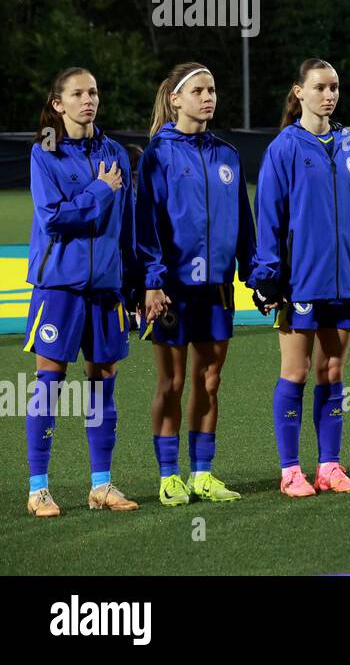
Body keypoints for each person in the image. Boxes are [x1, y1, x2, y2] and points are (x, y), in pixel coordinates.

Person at [251, 58, 350, 497]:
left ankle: (330, 467)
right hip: (301, 282)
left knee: (333, 372)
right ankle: (290, 471)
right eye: (319, 87)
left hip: (344, 282)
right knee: (295, 372)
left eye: (334, 87)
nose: (329, 95)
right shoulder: (284, 148)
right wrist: (267, 275)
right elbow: (269, 218)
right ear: (299, 92)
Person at [136, 63, 257, 505]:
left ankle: (202, 474)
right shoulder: (157, 154)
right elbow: (144, 225)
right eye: (199, 91)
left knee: (209, 380)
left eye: (212, 90)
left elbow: (244, 223)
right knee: (172, 382)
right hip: (171, 289)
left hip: (218, 288)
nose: (209, 98)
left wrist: (255, 271)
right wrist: (151, 281)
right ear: (176, 99)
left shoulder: (227, 154)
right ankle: (169, 476)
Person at [24, 67, 139, 516]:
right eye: (77, 94)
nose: (88, 100)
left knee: (102, 386)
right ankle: (38, 489)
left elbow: (126, 225)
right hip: (60, 288)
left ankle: (101, 486)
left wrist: (134, 285)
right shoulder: (44, 152)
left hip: (106, 289)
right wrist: (99, 189)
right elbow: (53, 217)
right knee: (49, 384)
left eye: (93, 91)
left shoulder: (114, 152)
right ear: (58, 104)